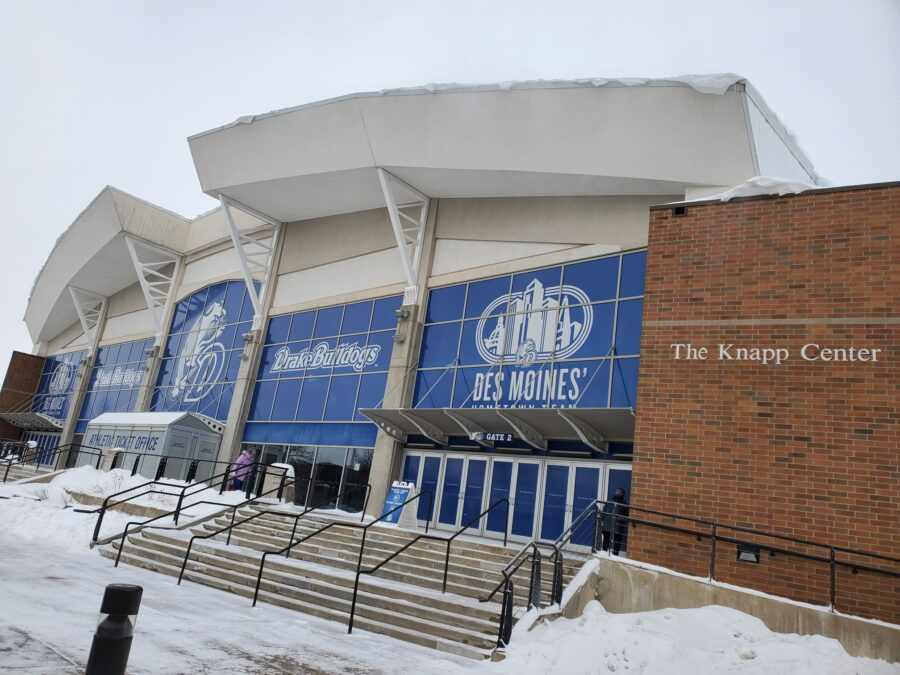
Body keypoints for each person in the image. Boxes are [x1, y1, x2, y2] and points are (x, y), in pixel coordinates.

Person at [600, 487, 629, 556]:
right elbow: (627, 516)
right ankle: (615, 556)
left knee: (606, 542)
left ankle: (603, 554)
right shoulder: (624, 504)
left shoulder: (609, 501)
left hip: (607, 526)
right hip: (618, 527)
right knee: (617, 543)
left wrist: (602, 523)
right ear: (623, 494)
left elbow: (603, 513)